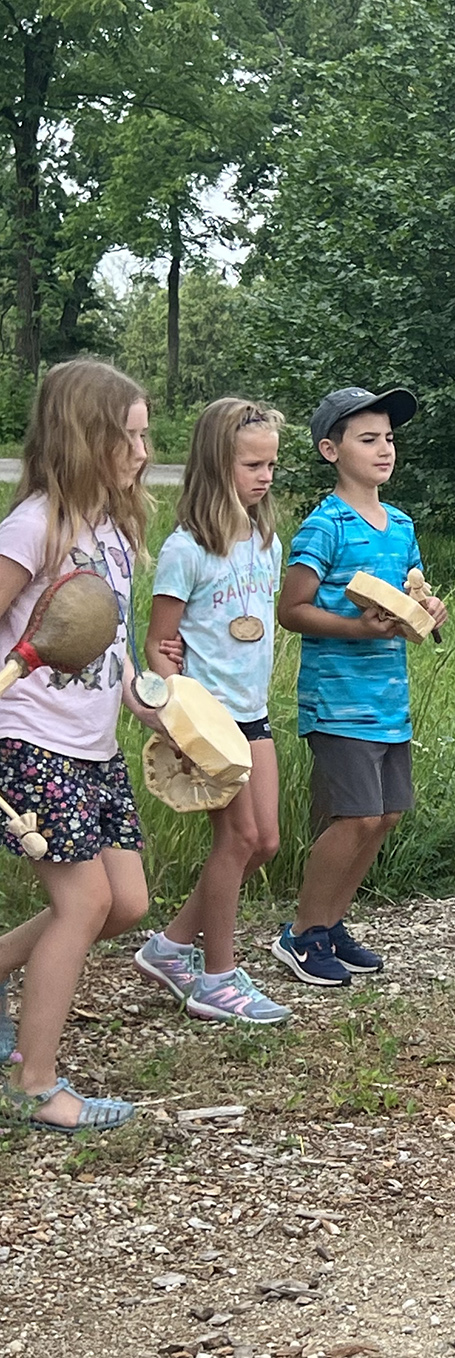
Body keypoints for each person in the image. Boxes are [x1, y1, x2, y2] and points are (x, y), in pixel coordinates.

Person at [0, 358, 164, 1131]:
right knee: (84, 902)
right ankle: (36, 1086)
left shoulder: (116, 533)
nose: (142, 451)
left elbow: (114, 646)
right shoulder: (34, 525)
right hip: (30, 741)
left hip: (93, 748)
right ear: (84, 439)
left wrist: (146, 701)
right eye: (127, 438)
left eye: (143, 435)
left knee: (124, 904)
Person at [269, 386, 447, 987]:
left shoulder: (400, 524)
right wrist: (353, 627)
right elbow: (290, 609)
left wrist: (429, 609)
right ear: (330, 449)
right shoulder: (325, 524)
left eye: (389, 438)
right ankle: (302, 933)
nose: (384, 449)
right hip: (337, 698)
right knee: (353, 817)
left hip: (388, 698)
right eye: (368, 439)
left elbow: (411, 592)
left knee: (386, 814)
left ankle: (332, 922)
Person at [136, 398, 291, 1024]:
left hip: (252, 713)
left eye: (272, 465)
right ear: (214, 463)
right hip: (210, 722)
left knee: (268, 841)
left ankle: (172, 946)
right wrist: (181, 714)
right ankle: (216, 978)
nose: (265, 476)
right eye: (252, 464)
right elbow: (157, 643)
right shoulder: (186, 547)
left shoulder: (264, 539)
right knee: (239, 838)